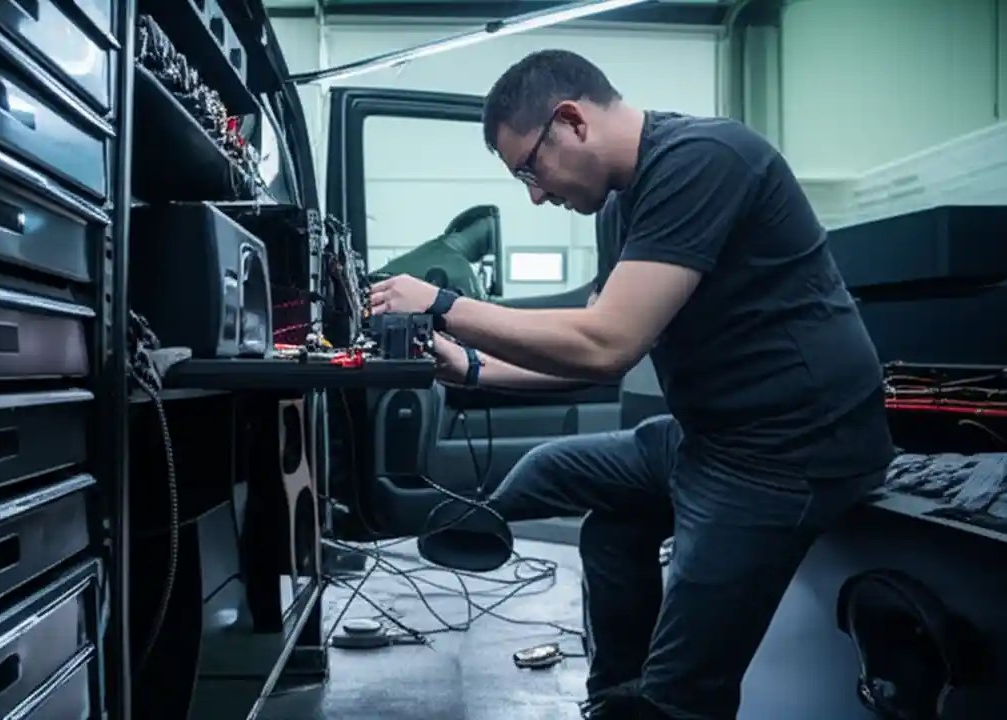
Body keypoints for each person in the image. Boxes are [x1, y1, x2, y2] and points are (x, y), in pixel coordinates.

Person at [367, 49, 897, 719]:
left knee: (681, 692)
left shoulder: (706, 159)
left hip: (789, 453)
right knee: (582, 494)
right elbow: (593, 345)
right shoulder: (619, 205)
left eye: (530, 168)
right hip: (713, 436)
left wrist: (441, 306)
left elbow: (605, 342)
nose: (535, 193)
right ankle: (614, 698)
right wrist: (472, 368)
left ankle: (664, 705)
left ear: (570, 122)